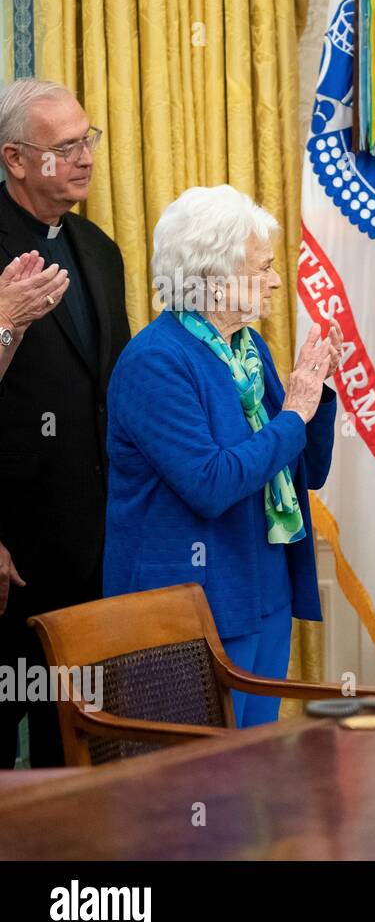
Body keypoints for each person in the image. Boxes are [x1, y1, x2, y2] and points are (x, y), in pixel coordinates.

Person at [103, 185, 343, 728]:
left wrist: (317, 393)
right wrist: (295, 414)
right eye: (263, 268)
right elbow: (211, 484)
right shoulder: (155, 360)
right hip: (193, 601)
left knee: (251, 772)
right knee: (195, 783)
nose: (277, 281)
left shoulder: (246, 348)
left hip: (263, 586)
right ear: (213, 276)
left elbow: (306, 469)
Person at [0, 78, 129, 767]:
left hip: (92, 551)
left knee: (80, 751)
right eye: (65, 147)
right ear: (16, 159)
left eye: (89, 140)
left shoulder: (98, 249)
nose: (84, 157)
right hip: (11, 559)